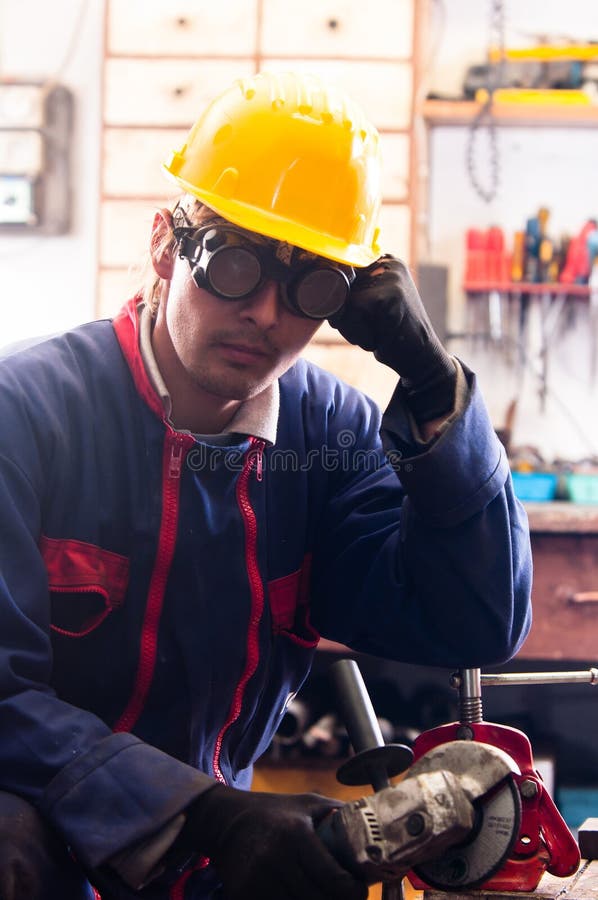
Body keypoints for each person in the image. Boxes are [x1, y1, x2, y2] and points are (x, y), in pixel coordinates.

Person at [0, 70, 532, 900]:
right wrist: (210, 815)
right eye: (236, 265)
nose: (268, 315)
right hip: (42, 855)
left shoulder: (331, 437)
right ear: (167, 247)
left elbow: (476, 621)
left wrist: (437, 390)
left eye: (311, 286)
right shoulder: (26, 413)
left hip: (216, 868)